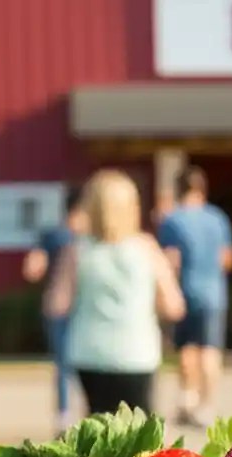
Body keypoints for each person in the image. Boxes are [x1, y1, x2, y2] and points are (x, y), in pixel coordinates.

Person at [44, 169, 185, 415]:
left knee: (100, 434)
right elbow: (174, 306)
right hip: (137, 351)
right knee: (141, 435)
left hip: (91, 352)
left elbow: (56, 304)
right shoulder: (146, 248)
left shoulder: (77, 250)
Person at [158, 166, 232, 427]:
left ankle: (188, 399)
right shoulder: (218, 218)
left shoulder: (173, 220)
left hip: (186, 290)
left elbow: (172, 260)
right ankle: (208, 405)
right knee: (210, 351)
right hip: (214, 292)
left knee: (187, 349)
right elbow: (227, 259)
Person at [23, 186, 87, 432]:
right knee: (73, 363)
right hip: (77, 308)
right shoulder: (81, 238)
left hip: (57, 307)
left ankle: (64, 413)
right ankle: (73, 412)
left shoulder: (52, 235)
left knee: (63, 363)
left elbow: (32, 268)